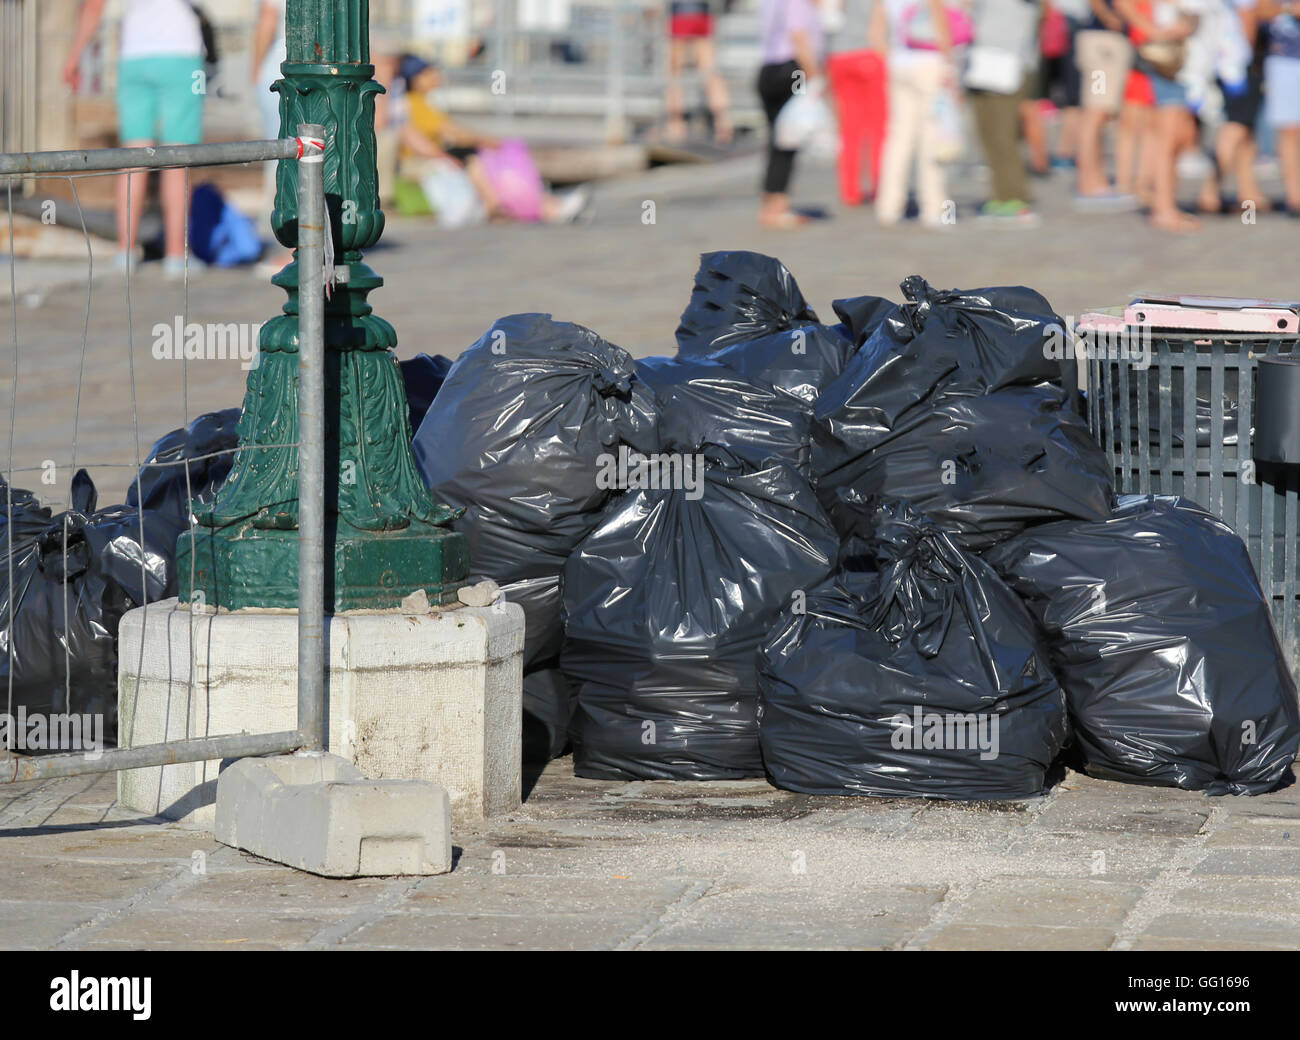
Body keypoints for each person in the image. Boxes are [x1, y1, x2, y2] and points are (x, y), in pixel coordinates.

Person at [63, 0, 206, 279]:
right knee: (178, 158)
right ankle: (176, 256)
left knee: (132, 156)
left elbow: (93, 6)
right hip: (181, 51)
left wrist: (74, 57)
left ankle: (125, 252)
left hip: (134, 54)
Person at [396, 56, 589, 224]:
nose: (437, 76)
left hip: (431, 159)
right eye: (429, 73)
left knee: (476, 157)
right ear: (416, 79)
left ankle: (545, 204)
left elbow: (452, 132)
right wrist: (490, 142)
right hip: (424, 163)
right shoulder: (415, 103)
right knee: (475, 158)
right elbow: (454, 132)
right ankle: (500, 205)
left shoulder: (420, 102)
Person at [1116, 0, 1201, 231]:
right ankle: (1156, 202)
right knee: (1151, 129)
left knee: (1174, 134)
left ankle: (1158, 197)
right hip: (1161, 55)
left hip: (1181, 57)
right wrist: (1152, 30)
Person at [872, 0, 957, 227]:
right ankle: (933, 209)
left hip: (899, 65)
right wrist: (950, 65)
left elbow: (875, 35)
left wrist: (891, 56)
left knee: (898, 139)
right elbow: (941, 27)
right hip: (929, 63)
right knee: (930, 137)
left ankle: (888, 208)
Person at [966, 0, 1042, 224]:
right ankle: (1000, 195)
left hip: (1010, 63)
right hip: (980, 61)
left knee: (1003, 133)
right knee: (985, 132)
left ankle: (1015, 197)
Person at [757, 0, 827, 228]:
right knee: (787, 143)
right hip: (790, 71)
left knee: (777, 141)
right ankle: (777, 206)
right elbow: (798, 36)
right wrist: (814, 77)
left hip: (769, 69)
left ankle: (772, 202)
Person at [1074, 0, 1140, 203]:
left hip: (1107, 43)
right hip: (1103, 45)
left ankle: (1096, 178)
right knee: (1095, 112)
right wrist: (1109, 17)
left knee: (1100, 113)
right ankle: (1088, 181)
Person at [826, 0, 888, 206]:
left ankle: (850, 191)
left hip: (838, 57)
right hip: (868, 53)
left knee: (848, 129)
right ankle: (880, 188)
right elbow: (878, 25)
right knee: (878, 129)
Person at [665, 0, 733, 143]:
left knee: (675, 72)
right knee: (709, 70)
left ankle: (676, 124)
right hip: (700, 15)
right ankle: (722, 121)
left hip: (681, 15)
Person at [1261, 0, 1300, 214]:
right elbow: (1258, 9)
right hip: (1285, 58)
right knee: (1290, 129)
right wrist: (1290, 9)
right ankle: (1294, 197)